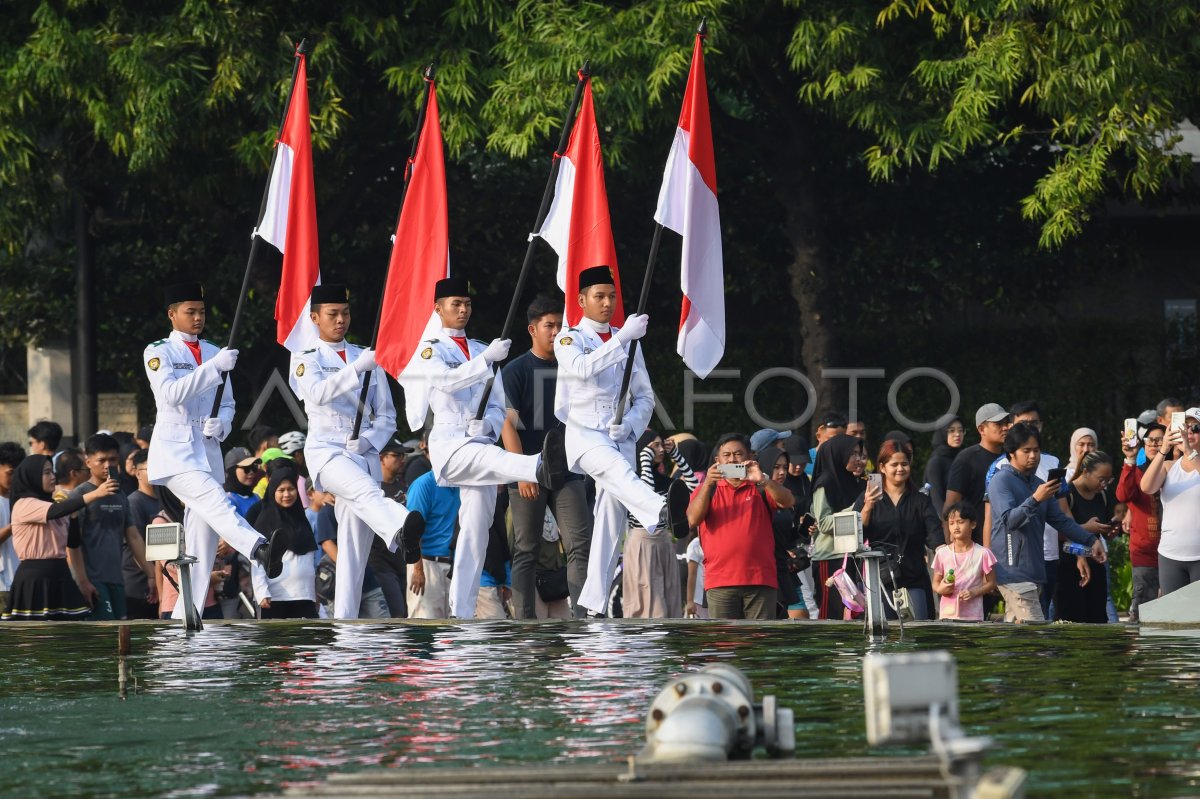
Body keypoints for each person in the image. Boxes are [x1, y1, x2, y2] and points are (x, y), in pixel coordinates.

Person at [400, 277, 566, 619]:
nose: (463, 310)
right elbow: (447, 381)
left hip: (479, 440)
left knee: (476, 530)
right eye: (455, 304)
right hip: (450, 443)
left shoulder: (479, 348)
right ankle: (536, 465)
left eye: (467, 304)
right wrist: (486, 359)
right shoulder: (431, 348)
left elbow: (498, 404)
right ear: (438, 309)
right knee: (493, 457)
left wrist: (487, 424)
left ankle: (460, 611)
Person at [143, 281, 283, 621]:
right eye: (190, 311)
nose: (198, 318)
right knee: (216, 501)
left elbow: (229, 403)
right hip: (176, 455)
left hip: (206, 451)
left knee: (202, 546)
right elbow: (171, 395)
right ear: (172, 314)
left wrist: (222, 424)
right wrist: (214, 368)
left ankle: (184, 620)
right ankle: (258, 547)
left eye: (202, 312)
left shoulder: (213, 351)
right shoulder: (159, 351)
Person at [289, 283, 424, 619]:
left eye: (345, 313)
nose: (341, 320)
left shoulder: (366, 356)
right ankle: (399, 525)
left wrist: (369, 441)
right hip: (328, 452)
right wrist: (356, 370)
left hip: (363, 454)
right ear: (315, 318)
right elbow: (317, 393)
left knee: (353, 552)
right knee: (365, 492)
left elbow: (388, 416)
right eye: (333, 314)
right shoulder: (306, 357)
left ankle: (345, 626)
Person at [553, 265, 668, 616]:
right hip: (585, 432)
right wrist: (622, 340)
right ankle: (656, 507)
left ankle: (594, 603)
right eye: (599, 296)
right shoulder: (569, 338)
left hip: (620, 436)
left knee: (610, 521)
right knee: (618, 470)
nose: (607, 303)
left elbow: (645, 396)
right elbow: (582, 368)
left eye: (612, 296)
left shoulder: (627, 338)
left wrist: (631, 424)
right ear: (581, 300)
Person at [500, 295, 593, 619]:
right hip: (529, 469)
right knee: (526, 549)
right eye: (549, 325)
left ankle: (583, 620)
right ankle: (525, 625)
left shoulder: (573, 368)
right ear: (532, 329)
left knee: (580, 545)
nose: (555, 332)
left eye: (560, 326)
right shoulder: (515, 370)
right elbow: (507, 424)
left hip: (569, 471)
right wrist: (522, 471)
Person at [988, 422, 1105, 622]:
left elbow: (1061, 521)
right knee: (1035, 630)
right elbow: (1010, 521)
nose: (1033, 456)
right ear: (1011, 453)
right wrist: (1035, 499)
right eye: (1026, 451)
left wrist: (1091, 540)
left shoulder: (1039, 484)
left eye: (1036, 450)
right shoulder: (1001, 480)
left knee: (1017, 635)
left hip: (1035, 572)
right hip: (1013, 571)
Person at [686, 433, 794, 620]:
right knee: (724, 638)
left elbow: (788, 501)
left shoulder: (760, 486)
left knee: (759, 638)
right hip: (720, 581)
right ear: (717, 461)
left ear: (750, 457)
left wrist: (763, 479)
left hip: (760, 579)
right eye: (726, 455)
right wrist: (707, 484)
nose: (732, 460)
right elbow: (692, 520)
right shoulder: (709, 489)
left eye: (738, 454)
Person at [3, 455, 116, 620]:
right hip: (36, 578)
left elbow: (73, 542)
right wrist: (96, 494)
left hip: (61, 575)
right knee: (35, 631)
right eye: (46, 473)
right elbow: (55, 512)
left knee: (67, 630)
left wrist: (74, 516)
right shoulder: (24, 504)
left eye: (52, 472)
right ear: (32, 476)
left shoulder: (56, 506)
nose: (52, 477)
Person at [71, 433, 157, 620]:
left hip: (117, 580)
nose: (107, 465)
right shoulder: (80, 496)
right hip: (93, 581)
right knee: (103, 634)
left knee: (121, 632)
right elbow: (72, 544)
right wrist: (82, 581)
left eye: (112, 460)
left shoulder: (120, 495)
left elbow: (133, 536)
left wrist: (151, 575)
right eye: (101, 460)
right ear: (88, 462)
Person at [855, 439, 940, 620]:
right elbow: (857, 536)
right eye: (894, 464)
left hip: (913, 576)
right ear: (882, 467)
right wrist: (868, 506)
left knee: (917, 631)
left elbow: (934, 533)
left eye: (904, 464)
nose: (900, 469)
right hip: (880, 579)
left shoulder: (920, 500)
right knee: (883, 633)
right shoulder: (867, 498)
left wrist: (944, 551)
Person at [623, 431, 696, 618]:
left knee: (669, 597)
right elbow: (646, 497)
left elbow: (694, 487)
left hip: (663, 541)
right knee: (649, 600)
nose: (661, 449)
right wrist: (644, 460)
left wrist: (677, 456)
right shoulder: (631, 480)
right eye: (655, 446)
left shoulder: (665, 481)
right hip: (642, 542)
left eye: (662, 445)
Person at [1139, 407, 1200, 596]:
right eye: (1185, 427)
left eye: (1195, 428)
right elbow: (1146, 487)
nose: (1189, 432)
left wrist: (1188, 450)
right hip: (1170, 555)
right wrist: (1164, 448)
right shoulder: (1168, 466)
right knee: (1176, 613)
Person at [808, 434, 866, 619]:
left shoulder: (854, 481)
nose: (858, 459)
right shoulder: (825, 482)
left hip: (852, 555)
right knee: (831, 615)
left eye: (859, 454)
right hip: (830, 558)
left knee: (853, 614)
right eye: (853, 454)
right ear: (839, 454)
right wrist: (857, 507)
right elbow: (824, 523)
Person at [1056, 451, 1117, 623]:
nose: (1104, 484)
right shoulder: (1066, 494)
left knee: (1098, 618)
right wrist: (1086, 529)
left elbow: (1102, 528)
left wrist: (1109, 531)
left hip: (1096, 562)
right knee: (1071, 619)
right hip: (1069, 564)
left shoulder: (1102, 496)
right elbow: (1059, 532)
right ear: (1085, 472)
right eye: (1101, 479)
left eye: (1108, 480)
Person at [251, 468, 319, 619]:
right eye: (281, 490)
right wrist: (261, 592)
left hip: (304, 596)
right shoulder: (264, 521)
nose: (287, 494)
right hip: (274, 599)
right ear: (273, 492)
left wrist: (314, 593)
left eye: (291, 489)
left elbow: (310, 560)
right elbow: (257, 561)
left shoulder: (302, 520)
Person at [943, 403, 1010, 545]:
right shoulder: (966, 459)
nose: (1005, 428)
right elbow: (951, 505)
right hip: (973, 545)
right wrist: (951, 546)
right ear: (981, 429)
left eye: (1006, 423)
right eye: (998, 424)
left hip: (1006, 541)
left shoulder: (1011, 458)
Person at [153, 486, 223, 620]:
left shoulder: (197, 516)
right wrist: (207, 577)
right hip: (176, 604)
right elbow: (169, 565)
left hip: (208, 602)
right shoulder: (161, 522)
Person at [1116, 421, 1163, 621]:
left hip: (1177, 554)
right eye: (1150, 440)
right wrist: (1129, 459)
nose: (1154, 444)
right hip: (1145, 553)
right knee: (1142, 616)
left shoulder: (1178, 468)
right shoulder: (1136, 469)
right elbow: (1122, 495)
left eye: (1159, 440)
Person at [404, 466, 460, 620]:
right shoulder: (423, 484)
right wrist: (417, 569)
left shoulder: (460, 483)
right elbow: (411, 530)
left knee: (452, 629)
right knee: (424, 625)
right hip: (426, 563)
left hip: (453, 565)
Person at [931, 502, 997, 621]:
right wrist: (942, 589)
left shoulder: (983, 553)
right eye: (951, 523)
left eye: (960, 522)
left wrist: (974, 592)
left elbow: (992, 583)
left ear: (973, 524)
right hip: (948, 614)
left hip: (973, 615)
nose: (956, 527)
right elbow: (935, 583)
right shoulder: (942, 553)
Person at [124, 449, 161, 620]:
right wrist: (152, 576)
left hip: (160, 581)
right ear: (138, 473)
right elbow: (136, 545)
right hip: (140, 584)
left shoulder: (164, 500)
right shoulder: (134, 502)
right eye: (150, 468)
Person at [0, 442, 23, 614]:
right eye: (10, 473)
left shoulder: (23, 499)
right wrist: (14, 525)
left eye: (18, 473)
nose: (14, 478)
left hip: (21, 581)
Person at [924, 416, 963, 514]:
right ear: (942, 433)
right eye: (951, 431)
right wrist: (946, 520)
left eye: (960, 430)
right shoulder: (936, 462)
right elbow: (936, 499)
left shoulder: (963, 458)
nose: (957, 434)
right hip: (942, 519)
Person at [806, 413, 848, 477]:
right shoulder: (804, 460)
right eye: (831, 440)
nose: (837, 444)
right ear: (818, 436)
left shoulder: (847, 462)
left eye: (841, 440)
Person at [683, 533, 707, 618]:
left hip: (712, 597)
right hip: (699, 601)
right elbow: (692, 574)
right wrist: (690, 601)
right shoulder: (695, 544)